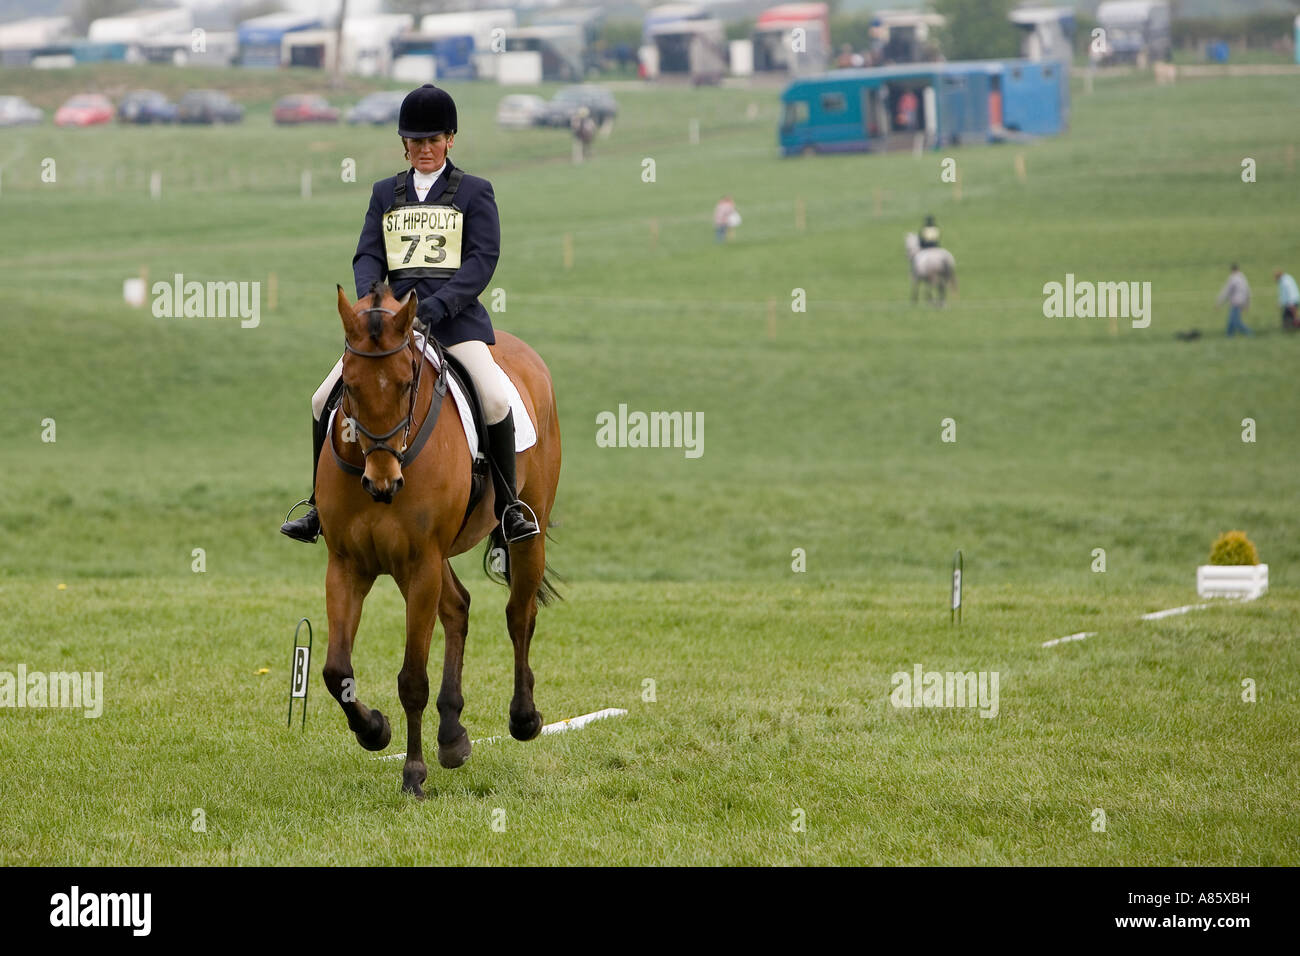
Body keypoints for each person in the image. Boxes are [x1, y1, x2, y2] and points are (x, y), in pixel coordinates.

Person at [280, 83, 539, 545]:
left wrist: (437, 307)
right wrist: (375, 308)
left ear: (450, 140)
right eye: (416, 141)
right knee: (322, 399)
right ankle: (318, 507)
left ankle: (508, 508)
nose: (425, 149)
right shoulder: (385, 193)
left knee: (497, 401)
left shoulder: (475, 192)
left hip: (455, 323)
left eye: (433, 140)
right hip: (390, 330)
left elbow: (483, 259)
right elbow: (367, 255)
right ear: (404, 144)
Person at [1216, 263, 1252, 337]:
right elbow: (1248, 291)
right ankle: (1229, 336)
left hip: (1236, 302)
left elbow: (1227, 291)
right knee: (1231, 322)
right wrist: (1247, 304)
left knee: (1236, 322)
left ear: (1232, 270)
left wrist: (1219, 302)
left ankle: (1250, 333)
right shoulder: (1243, 278)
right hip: (1242, 302)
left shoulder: (1233, 279)